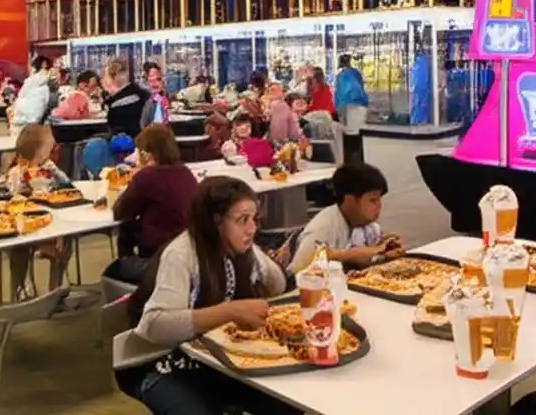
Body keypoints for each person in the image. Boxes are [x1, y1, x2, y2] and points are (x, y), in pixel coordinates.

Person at [127, 177, 297, 415]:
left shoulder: (239, 248)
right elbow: (154, 325)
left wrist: (260, 261)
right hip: (169, 367)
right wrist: (230, 311)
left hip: (218, 362)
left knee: (288, 404)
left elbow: (277, 286)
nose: (252, 229)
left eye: (254, 219)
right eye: (242, 220)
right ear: (215, 221)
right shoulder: (182, 254)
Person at [106, 124, 198, 284]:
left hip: (156, 261)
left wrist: (136, 180)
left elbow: (120, 212)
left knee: (125, 231)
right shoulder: (186, 174)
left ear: (147, 154)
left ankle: (127, 274)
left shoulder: (146, 177)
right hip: (187, 257)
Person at [0, 124, 74, 296]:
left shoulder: (48, 168)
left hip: (50, 219)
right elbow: (13, 193)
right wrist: (25, 183)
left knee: (67, 239)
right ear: (40, 150)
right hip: (24, 222)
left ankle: (55, 287)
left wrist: (55, 172)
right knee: (19, 250)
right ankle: (19, 288)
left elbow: (67, 183)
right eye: (49, 147)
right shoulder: (17, 171)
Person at [287, 162, 401, 273]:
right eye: (373, 200)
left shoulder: (366, 226)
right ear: (350, 200)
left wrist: (382, 251)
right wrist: (348, 255)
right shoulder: (325, 227)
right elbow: (300, 268)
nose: (379, 206)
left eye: (379, 199)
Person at [9, 56, 55, 135]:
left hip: (36, 100)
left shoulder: (45, 75)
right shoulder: (37, 77)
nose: (44, 65)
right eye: (43, 63)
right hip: (32, 102)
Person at [103, 59, 149, 138]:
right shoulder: (138, 93)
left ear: (114, 77)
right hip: (139, 137)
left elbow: (113, 124)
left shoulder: (122, 101)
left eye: (106, 76)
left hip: (126, 139)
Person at [140, 62, 171, 128]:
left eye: (158, 79)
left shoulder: (164, 97)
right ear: (146, 81)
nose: (155, 83)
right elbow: (143, 125)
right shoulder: (145, 100)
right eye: (151, 80)